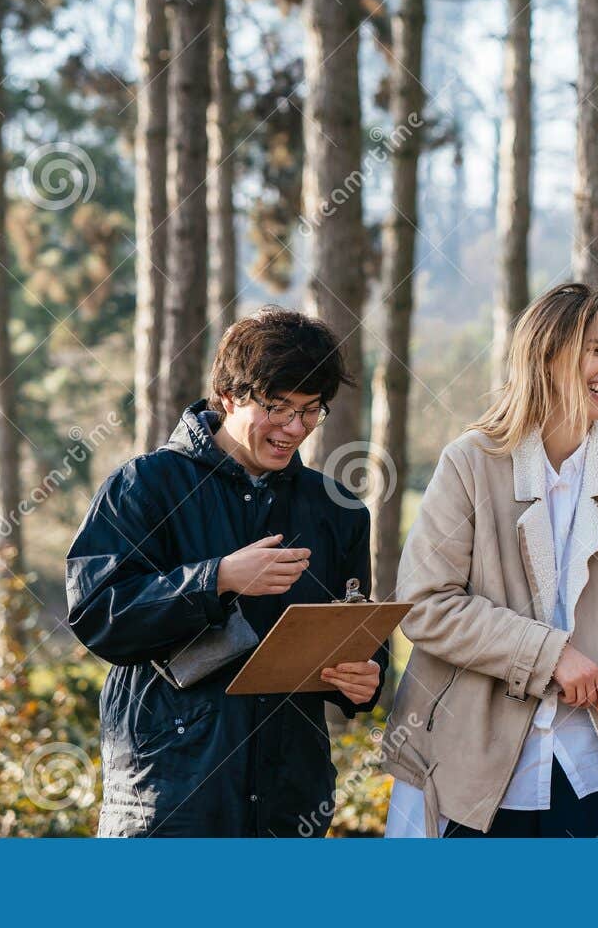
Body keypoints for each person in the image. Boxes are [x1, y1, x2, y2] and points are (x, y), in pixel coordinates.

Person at [382, 282, 598, 837]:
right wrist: (548, 655)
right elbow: (425, 604)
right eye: (595, 349)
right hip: (479, 773)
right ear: (547, 355)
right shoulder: (471, 462)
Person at [66, 308, 386, 836]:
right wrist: (216, 578)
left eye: (311, 411)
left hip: (290, 801)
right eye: (277, 407)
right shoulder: (145, 486)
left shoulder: (338, 511)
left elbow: (356, 631)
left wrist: (364, 679)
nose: (294, 428)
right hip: (170, 796)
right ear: (230, 394)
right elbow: (98, 615)